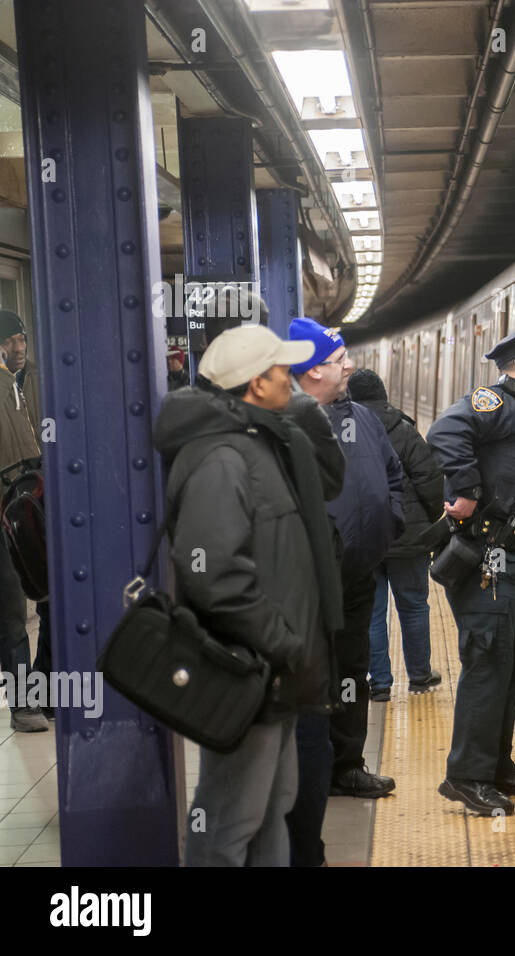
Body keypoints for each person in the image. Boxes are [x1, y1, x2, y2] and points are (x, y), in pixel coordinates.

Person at [153, 325, 339, 866]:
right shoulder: (221, 458)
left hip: (276, 671)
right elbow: (212, 574)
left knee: (271, 808)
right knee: (229, 820)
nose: (292, 381)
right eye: (283, 371)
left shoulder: (254, 443)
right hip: (249, 670)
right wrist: (282, 642)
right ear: (257, 384)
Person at [427, 320, 515, 815]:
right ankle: (466, 776)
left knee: (507, 670)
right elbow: (444, 430)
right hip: (487, 560)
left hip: (510, 563)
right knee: (487, 668)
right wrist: (464, 490)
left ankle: (497, 765)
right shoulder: (496, 404)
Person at [288, 318, 403, 808]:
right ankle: (307, 768)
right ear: (312, 371)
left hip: (358, 573)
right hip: (309, 582)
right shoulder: (287, 423)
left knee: (353, 672)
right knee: (314, 674)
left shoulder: (364, 418)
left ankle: (347, 765)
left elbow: (394, 475)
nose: (349, 366)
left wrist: (389, 522)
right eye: (338, 360)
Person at [347, 369, 445, 702]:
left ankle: (380, 684)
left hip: (365, 540)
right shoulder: (405, 431)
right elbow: (431, 483)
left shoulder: (345, 432)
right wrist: (427, 524)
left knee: (373, 612)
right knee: (414, 606)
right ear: (384, 395)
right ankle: (419, 677)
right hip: (409, 538)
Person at [0, 308, 46, 732]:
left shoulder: (23, 382)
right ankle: (23, 704)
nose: (19, 347)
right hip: (5, 508)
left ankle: (41, 692)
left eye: (21, 339)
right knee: (13, 610)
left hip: (23, 505)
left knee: (40, 598)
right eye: (11, 340)